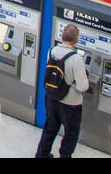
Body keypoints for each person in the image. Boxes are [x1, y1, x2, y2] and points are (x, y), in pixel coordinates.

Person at [35, 24, 90, 158]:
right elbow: (83, 87)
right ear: (76, 40)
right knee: (71, 133)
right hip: (70, 104)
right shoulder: (76, 59)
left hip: (52, 97)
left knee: (50, 127)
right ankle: (65, 156)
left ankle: (41, 154)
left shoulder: (52, 51)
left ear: (62, 36)